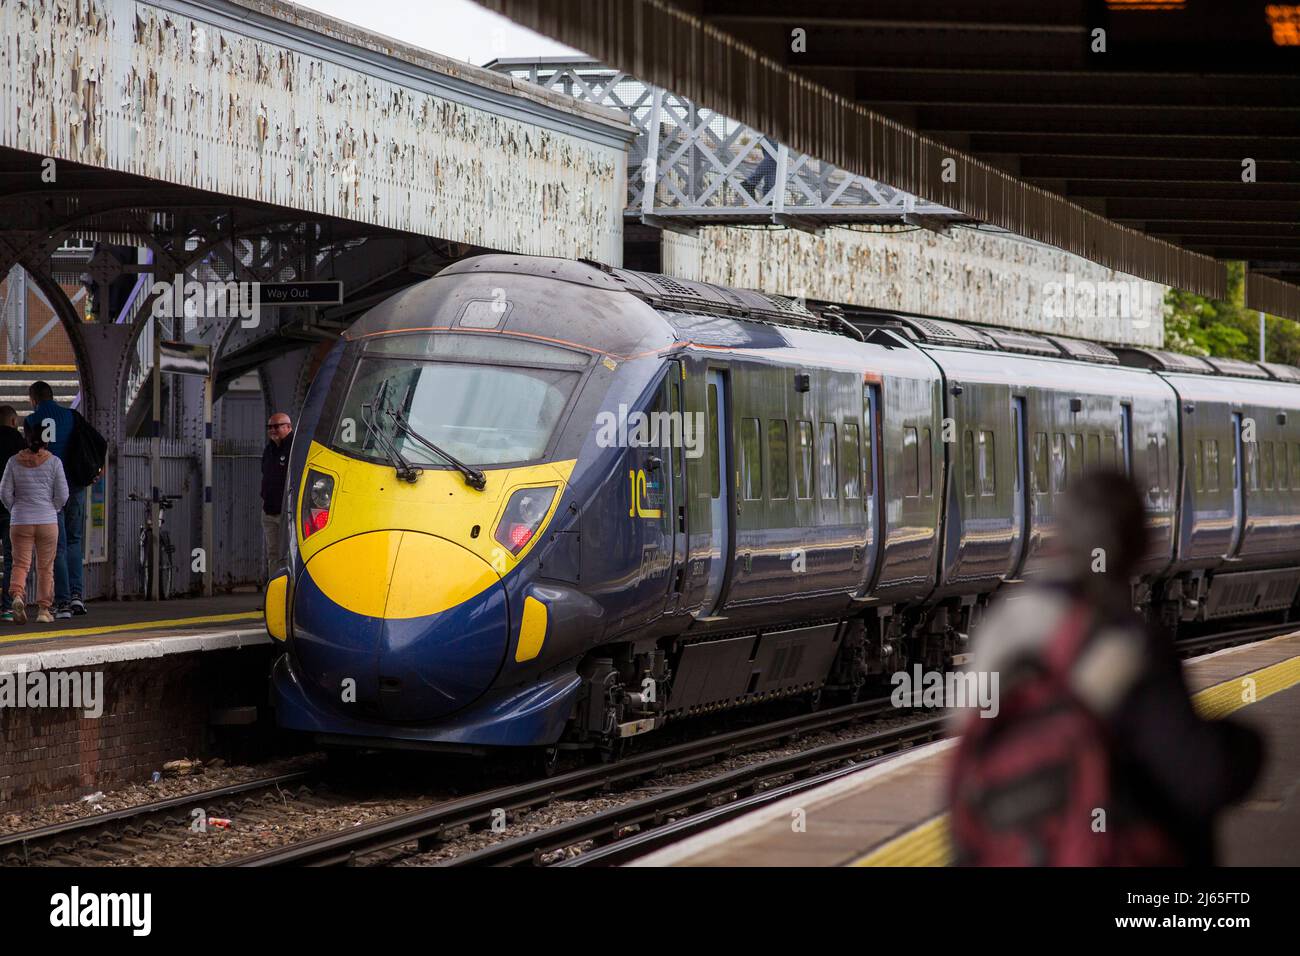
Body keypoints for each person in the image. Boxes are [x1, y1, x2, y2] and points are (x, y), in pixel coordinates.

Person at [949, 470, 1263, 866]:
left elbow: (966, 760)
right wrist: (1247, 744)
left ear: (1057, 535)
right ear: (1140, 545)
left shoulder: (1000, 630)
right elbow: (1199, 775)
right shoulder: (1125, 641)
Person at [25, 381, 84, 618]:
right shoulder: (71, 416)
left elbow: (30, 454)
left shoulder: (31, 421)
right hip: (74, 484)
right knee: (74, 541)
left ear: (33, 399)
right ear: (52, 396)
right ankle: (78, 596)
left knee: (56, 546)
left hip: (49, 491)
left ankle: (63, 603)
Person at [0, 422, 69, 624]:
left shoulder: (13, 461)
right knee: (45, 567)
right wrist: (53, 508)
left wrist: (14, 508)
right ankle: (43, 610)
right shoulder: (54, 462)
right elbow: (63, 494)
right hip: (47, 520)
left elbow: (4, 492)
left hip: (20, 520)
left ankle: (18, 597)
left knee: (20, 564)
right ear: (46, 439)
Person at [0, 406, 26, 622]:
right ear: (12, 420)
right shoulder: (18, 442)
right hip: (10, 509)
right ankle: (7, 608)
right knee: (11, 558)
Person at [261, 411, 293, 581]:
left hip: (286, 511)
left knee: (287, 554)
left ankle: (288, 591)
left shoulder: (294, 448)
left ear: (288, 427)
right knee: (272, 554)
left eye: (277, 426)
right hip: (269, 511)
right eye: (270, 427)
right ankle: (273, 593)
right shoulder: (269, 449)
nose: (272, 430)